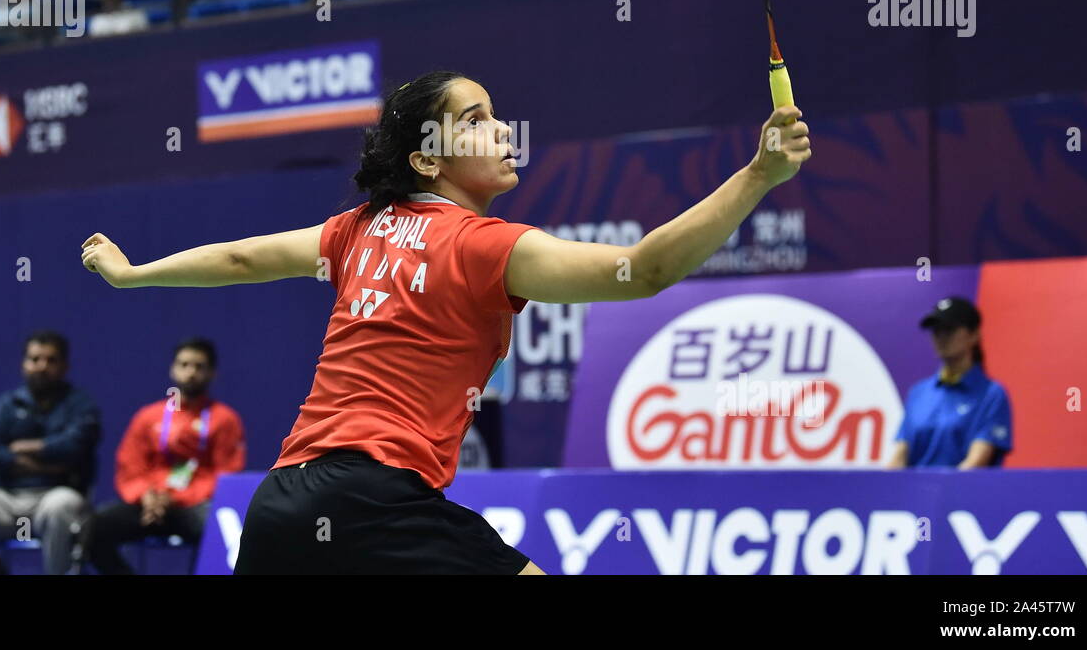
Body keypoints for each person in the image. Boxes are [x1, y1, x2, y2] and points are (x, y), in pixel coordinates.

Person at [80, 71, 812, 574]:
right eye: (476, 120)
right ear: (428, 156)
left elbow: (241, 259)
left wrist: (134, 273)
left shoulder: (358, 229)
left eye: (496, 115)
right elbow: (645, 269)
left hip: (281, 508)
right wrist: (758, 174)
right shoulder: (485, 244)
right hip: (372, 501)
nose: (501, 130)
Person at [84, 337, 246, 574]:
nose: (191, 372)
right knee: (93, 529)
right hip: (149, 504)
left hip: (193, 505)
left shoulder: (225, 419)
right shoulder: (148, 416)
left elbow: (225, 475)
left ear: (212, 373)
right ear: (173, 369)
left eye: (199, 366)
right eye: (184, 365)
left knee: (218, 533)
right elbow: (129, 466)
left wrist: (176, 497)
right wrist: (147, 496)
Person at [0, 331, 102, 575]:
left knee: (60, 507)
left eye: (51, 360)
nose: (42, 367)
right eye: (35, 359)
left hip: (57, 495)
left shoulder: (80, 405)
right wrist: (46, 465)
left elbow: (74, 446)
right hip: (8, 500)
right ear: (24, 364)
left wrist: (26, 447)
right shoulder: (7, 405)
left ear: (65, 366)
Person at [889, 297, 1013, 469]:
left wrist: (941, 493)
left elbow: (976, 461)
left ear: (974, 335)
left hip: (964, 494)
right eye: (936, 330)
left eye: (949, 329)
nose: (941, 337)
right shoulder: (918, 393)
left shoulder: (992, 394)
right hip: (914, 493)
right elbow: (900, 455)